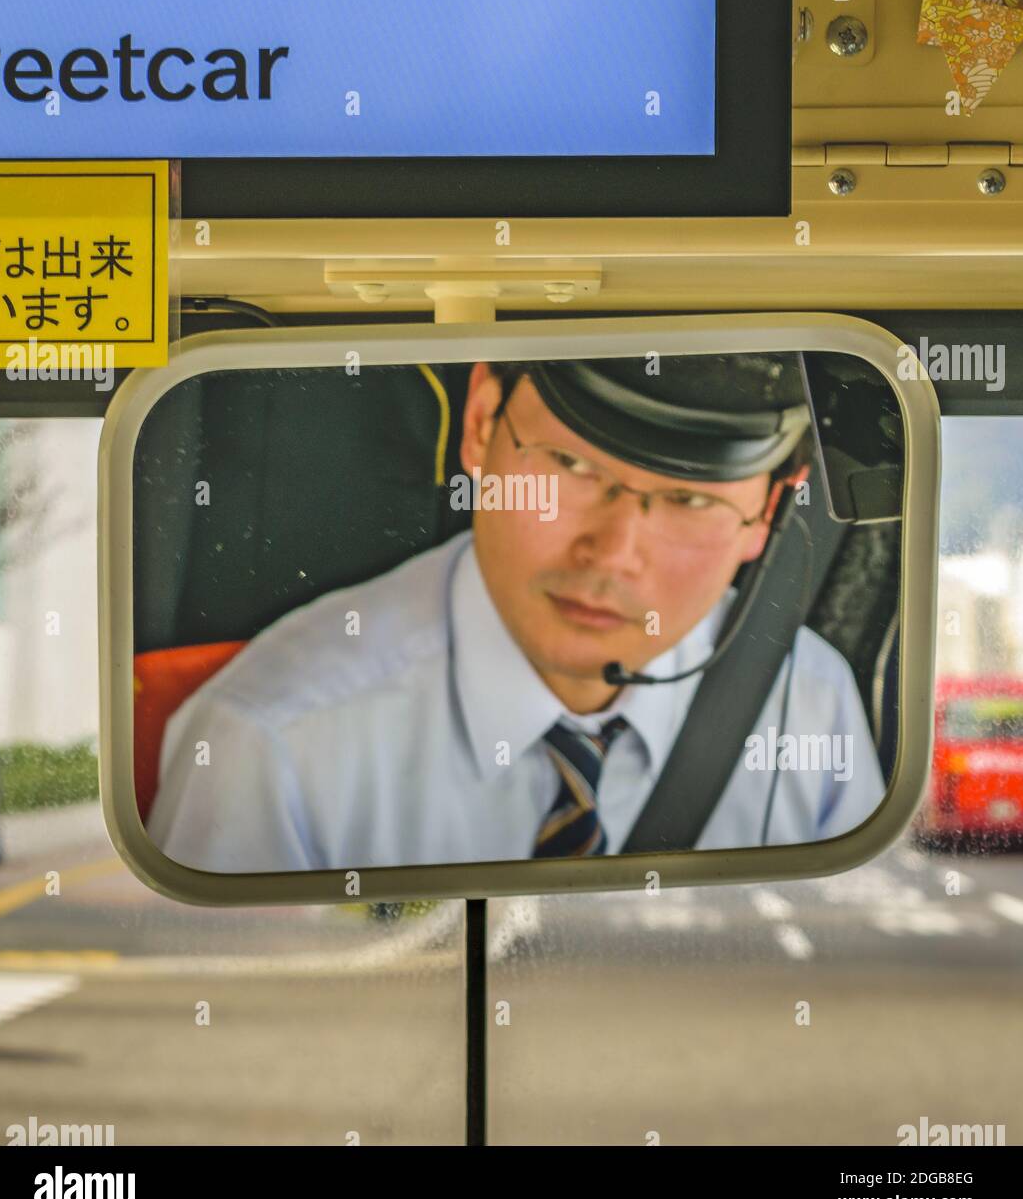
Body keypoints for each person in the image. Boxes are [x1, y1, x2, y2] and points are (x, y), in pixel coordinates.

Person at [146, 354, 887, 873]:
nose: (613, 553)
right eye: (571, 467)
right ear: (479, 424)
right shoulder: (271, 744)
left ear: (767, 513)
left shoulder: (806, 703)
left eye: (690, 500)